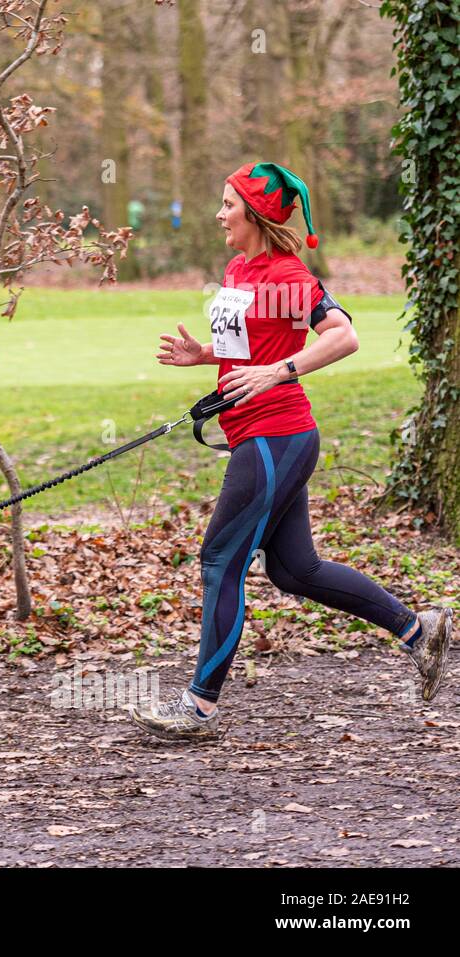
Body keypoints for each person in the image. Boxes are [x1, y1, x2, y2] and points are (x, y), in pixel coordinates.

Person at [129, 161, 453, 740]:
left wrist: (279, 372)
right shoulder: (238, 267)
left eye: (228, 204)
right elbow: (248, 346)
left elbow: (344, 335)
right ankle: (418, 630)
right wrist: (204, 355)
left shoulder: (288, 276)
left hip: (276, 436)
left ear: (254, 212)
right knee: (295, 569)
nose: (219, 214)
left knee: (220, 561)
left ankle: (199, 707)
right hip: (259, 436)